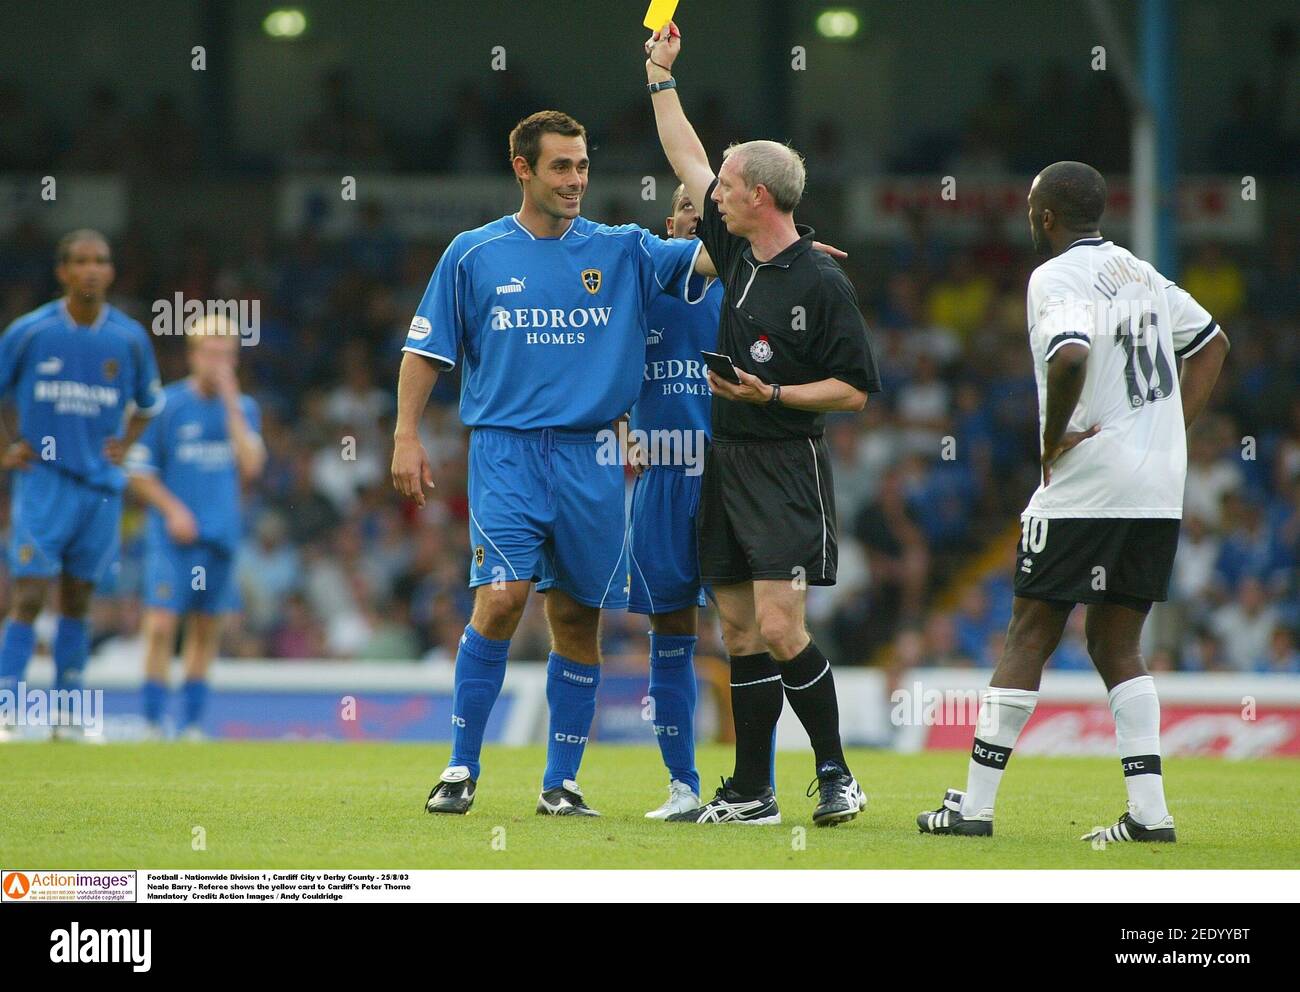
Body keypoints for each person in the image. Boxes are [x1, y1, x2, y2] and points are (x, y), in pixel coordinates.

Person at [392, 110, 712, 817]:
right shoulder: (474, 253)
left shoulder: (624, 249)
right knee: (502, 599)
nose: (576, 180)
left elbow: (718, 254)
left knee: (576, 619)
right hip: (505, 448)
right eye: (561, 166)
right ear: (523, 169)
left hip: (593, 453)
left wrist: (780, 237)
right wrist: (404, 437)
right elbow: (425, 351)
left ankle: (560, 784)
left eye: (583, 166)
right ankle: (459, 767)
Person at [916, 161, 1230, 843]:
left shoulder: (1054, 276)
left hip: (1089, 480)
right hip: (1155, 486)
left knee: (1029, 630)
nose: (1031, 220)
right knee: (1117, 640)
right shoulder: (1142, 273)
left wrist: (1051, 442)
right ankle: (1149, 815)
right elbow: (1211, 345)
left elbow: (1067, 357)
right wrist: (1167, 437)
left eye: (1033, 209)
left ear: (1047, 217)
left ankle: (973, 806)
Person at [644, 23, 882, 826]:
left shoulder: (823, 282)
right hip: (728, 459)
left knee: (782, 627)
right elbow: (685, 155)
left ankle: (839, 775)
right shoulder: (738, 253)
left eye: (726, 184)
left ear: (760, 196)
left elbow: (854, 391)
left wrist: (772, 398)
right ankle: (752, 791)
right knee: (740, 630)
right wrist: (659, 75)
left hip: (785, 462)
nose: (711, 191)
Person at [0, 229, 164, 741]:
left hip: (99, 487)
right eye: (81, 261)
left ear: (111, 272)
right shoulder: (30, 332)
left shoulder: (129, 338)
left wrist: (126, 443)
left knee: (78, 599)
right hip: (44, 481)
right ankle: (5, 707)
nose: (92, 269)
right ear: (63, 272)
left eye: (101, 261)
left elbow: (150, 403)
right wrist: (8, 444)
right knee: (28, 595)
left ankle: (68, 717)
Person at [626, 184, 724, 819]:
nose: (700, 216)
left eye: (713, 208)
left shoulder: (746, 288)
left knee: (749, 630)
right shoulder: (638, 288)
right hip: (661, 473)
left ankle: (756, 786)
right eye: (691, 206)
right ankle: (683, 786)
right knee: (671, 627)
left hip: (729, 474)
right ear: (670, 222)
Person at [127, 315, 265, 740]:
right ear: (193, 355)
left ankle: (189, 726)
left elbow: (252, 465)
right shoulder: (166, 405)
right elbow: (136, 470)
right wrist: (172, 510)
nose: (219, 362)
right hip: (174, 537)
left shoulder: (243, 409)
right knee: (162, 626)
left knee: (206, 630)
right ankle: (152, 721)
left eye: (227, 354)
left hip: (220, 535)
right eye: (211, 352)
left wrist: (231, 406)